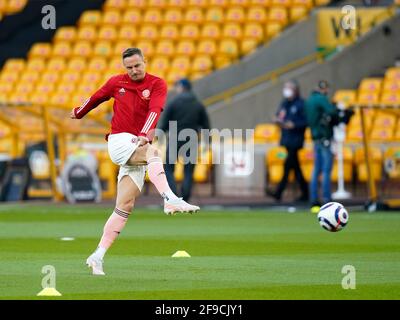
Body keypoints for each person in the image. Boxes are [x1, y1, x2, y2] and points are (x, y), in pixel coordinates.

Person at [70, 48, 200, 275]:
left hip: (137, 142)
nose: (133, 71)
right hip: (119, 141)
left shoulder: (157, 84)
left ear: (144, 62)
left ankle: (97, 256)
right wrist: (79, 112)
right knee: (154, 154)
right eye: (129, 67)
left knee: (124, 207)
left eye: (137, 65)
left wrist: (145, 133)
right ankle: (170, 200)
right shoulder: (116, 82)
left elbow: (155, 109)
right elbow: (96, 97)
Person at [158, 78, 210, 202]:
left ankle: (173, 196)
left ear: (181, 87)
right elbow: (206, 125)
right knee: (189, 169)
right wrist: (208, 142)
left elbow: (164, 123)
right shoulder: (198, 104)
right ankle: (185, 197)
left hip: (175, 137)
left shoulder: (174, 102)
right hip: (192, 139)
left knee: (169, 168)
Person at [266, 80, 309, 202]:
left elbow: (306, 121)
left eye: (289, 88)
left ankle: (279, 192)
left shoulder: (301, 104)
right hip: (286, 139)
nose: (286, 90)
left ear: (295, 90)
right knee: (295, 168)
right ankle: (305, 192)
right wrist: (277, 120)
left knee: (288, 166)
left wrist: (294, 124)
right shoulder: (284, 103)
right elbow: (280, 116)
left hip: (296, 139)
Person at [304, 80, 338, 209]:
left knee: (316, 170)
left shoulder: (309, 100)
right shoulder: (321, 99)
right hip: (324, 137)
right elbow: (332, 112)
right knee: (326, 170)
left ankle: (313, 198)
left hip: (315, 137)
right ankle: (327, 198)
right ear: (325, 89)